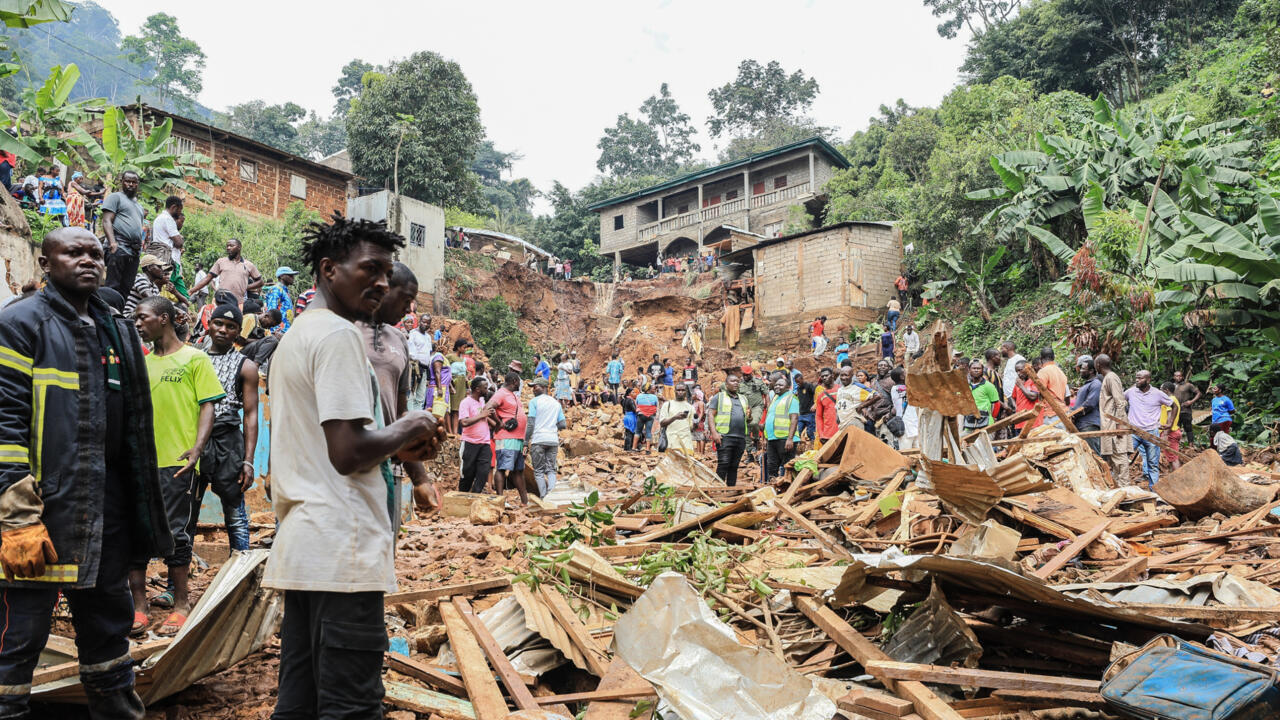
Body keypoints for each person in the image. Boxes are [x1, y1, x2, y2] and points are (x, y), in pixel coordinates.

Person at [264, 215, 442, 719]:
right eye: (371, 269)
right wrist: (411, 426)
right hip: (342, 547)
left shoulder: (299, 333)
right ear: (328, 270)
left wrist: (396, 448)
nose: (382, 283)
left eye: (387, 272)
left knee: (298, 701)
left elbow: (329, 446)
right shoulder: (339, 337)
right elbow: (347, 451)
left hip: (304, 545)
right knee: (351, 706)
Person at [0, 227, 171, 718]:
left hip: (104, 513)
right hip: (41, 514)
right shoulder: (21, 323)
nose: (88, 260)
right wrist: (16, 516)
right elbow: (5, 417)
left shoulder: (117, 329)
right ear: (45, 261)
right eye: (73, 252)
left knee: (108, 636)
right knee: (18, 642)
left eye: (96, 253)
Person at [131, 296, 224, 637]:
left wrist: (197, 448)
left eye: (143, 318)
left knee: (176, 533)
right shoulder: (141, 362)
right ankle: (139, 607)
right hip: (142, 462)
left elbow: (208, 406)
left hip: (178, 462)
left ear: (165, 319)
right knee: (135, 535)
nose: (138, 324)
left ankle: (181, 603)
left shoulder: (194, 359)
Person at [360, 263, 438, 513]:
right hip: (345, 463)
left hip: (388, 466)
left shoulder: (399, 340)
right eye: (405, 299)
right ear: (383, 289)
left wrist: (420, 479)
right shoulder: (343, 330)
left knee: (384, 548)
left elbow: (400, 412)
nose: (408, 310)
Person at [190, 303, 258, 560]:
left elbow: (251, 415)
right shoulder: (192, 357)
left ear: (238, 332)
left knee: (234, 508)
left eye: (230, 327)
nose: (222, 330)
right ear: (208, 324)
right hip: (194, 436)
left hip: (227, 441)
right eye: (218, 323)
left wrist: (248, 461)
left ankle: (241, 576)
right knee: (187, 510)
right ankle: (176, 585)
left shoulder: (246, 366)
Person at [484, 371, 529, 504]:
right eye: (519, 382)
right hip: (506, 438)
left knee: (518, 470)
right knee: (502, 469)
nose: (520, 384)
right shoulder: (501, 393)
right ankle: (500, 500)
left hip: (517, 438)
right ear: (514, 381)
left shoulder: (512, 395)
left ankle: (525, 502)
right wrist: (499, 423)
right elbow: (488, 408)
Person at [102, 170, 147, 300]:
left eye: (134, 182)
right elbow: (106, 221)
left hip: (134, 252)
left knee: (126, 288)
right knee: (112, 286)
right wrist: (112, 242)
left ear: (138, 184)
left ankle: (119, 316)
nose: (130, 184)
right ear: (122, 182)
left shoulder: (138, 206)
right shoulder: (115, 197)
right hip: (119, 246)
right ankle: (109, 315)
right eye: (127, 181)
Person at [1125, 370, 1173, 488]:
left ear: (1148, 380)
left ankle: (1154, 491)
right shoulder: (1130, 392)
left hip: (1151, 432)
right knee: (1122, 459)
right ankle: (1122, 487)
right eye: (1136, 378)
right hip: (1134, 432)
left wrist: (1170, 423)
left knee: (1152, 463)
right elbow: (1119, 401)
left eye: (1140, 378)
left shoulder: (1157, 393)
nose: (1137, 380)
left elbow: (1174, 405)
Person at [188, 238, 263, 306]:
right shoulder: (221, 261)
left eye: (231, 246)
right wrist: (191, 290)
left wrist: (246, 287)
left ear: (239, 247)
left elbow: (260, 282)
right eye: (227, 246)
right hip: (221, 301)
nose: (228, 248)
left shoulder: (248, 265)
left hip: (239, 302)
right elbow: (208, 278)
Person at [708, 373, 750, 486]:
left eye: (737, 381)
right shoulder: (719, 397)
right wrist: (714, 433)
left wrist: (749, 417)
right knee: (724, 463)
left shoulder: (743, 398)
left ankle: (731, 490)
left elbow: (747, 418)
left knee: (734, 466)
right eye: (732, 381)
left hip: (740, 437)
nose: (736, 383)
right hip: (724, 436)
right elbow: (710, 414)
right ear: (726, 384)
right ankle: (718, 489)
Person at [526, 378, 565, 497]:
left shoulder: (534, 402)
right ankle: (552, 496)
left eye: (535, 386)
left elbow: (531, 423)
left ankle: (544, 496)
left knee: (538, 471)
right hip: (552, 440)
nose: (533, 389)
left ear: (543, 388)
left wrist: (525, 441)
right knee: (551, 470)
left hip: (538, 440)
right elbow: (563, 424)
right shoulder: (556, 403)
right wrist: (551, 427)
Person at [1096, 354, 1131, 485]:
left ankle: (1125, 488)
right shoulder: (1107, 378)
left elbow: (1120, 402)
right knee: (1114, 460)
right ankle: (1119, 488)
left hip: (1115, 425)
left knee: (1120, 458)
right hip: (1109, 425)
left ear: (1098, 365)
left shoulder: (1111, 378)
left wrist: (1119, 425)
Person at [762, 372, 799, 480]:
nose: (777, 386)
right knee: (772, 466)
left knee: (787, 467)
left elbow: (794, 418)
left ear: (787, 387)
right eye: (776, 384)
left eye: (781, 385)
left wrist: (790, 439)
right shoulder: (774, 398)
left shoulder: (791, 398)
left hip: (785, 439)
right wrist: (765, 437)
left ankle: (787, 489)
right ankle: (773, 489)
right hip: (773, 438)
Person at [459, 376, 493, 492]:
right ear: (478, 389)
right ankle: (462, 498)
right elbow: (463, 422)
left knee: (483, 472)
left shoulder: (482, 401)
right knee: (468, 474)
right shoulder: (465, 402)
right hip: (470, 443)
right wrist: (482, 415)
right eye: (485, 388)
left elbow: (485, 419)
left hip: (485, 443)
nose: (487, 390)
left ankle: (475, 496)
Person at [1073, 356, 1103, 454]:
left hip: (1089, 425)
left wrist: (1073, 414)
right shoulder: (1087, 385)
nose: (1080, 371)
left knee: (1094, 456)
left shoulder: (1096, 384)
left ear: (1091, 371)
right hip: (1082, 425)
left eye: (1083, 369)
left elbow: (1089, 404)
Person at [658, 382, 696, 454]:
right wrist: (675, 417)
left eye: (683, 390)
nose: (680, 392)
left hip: (686, 443)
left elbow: (691, 427)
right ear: (675, 391)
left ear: (686, 392)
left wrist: (696, 424)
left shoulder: (690, 407)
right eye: (678, 390)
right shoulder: (667, 405)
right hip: (671, 442)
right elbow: (662, 423)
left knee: (685, 464)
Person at [149, 195, 184, 274]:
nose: (180, 213)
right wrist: (179, 239)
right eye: (180, 210)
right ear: (174, 207)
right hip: (167, 258)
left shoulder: (159, 218)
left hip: (158, 256)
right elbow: (179, 243)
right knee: (169, 283)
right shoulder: (168, 219)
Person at [407, 316, 433, 411]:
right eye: (423, 322)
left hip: (425, 369)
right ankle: (410, 418)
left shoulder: (428, 337)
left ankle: (417, 417)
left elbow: (428, 354)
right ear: (419, 321)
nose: (425, 324)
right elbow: (411, 353)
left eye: (428, 323)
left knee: (421, 396)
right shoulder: (413, 334)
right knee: (411, 394)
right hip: (414, 367)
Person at [1036, 347, 1069, 423]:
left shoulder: (1043, 372)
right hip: (1063, 412)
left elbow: (1039, 392)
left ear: (1041, 358)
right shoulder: (1060, 372)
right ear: (1054, 357)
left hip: (1051, 414)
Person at [964, 360, 1000, 431]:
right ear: (969, 370)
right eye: (974, 368)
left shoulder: (989, 386)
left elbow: (996, 403)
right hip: (969, 422)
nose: (976, 370)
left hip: (986, 422)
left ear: (982, 370)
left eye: (978, 368)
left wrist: (993, 417)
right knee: (963, 440)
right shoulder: (966, 387)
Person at [263, 267, 299, 335]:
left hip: (286, 330)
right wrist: (274, 331)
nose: (293, 278)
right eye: (290, 275)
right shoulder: (276, 290)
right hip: (278, 331)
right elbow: (271, 312)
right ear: (282, 276)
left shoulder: (285, 291)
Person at [1172, 371, 1201, 447]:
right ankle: (1176, 446)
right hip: (1175, 411)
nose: (1178, 377)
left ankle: (1190, 445)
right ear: (1174, 377)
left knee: (1188, 428)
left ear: (1183, 377)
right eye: (1176, 376)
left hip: (1186, 410)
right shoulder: (1172, 386)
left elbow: (1198, 393)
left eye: (1180, 376)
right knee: (1175, 428)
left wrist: (1191, 401)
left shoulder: (1188, 385)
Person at [1159, 382, 1183, 471]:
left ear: (1166, 390)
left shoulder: (1169, 400)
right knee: (1171, 457)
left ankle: (1179, 479)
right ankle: (1174, 477)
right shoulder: (1173, 399)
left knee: (1173, 458)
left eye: (1161, 390)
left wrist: (1165, 434)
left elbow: (1170, 416)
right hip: (1172, 431)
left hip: (1170, 433)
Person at [814, 368, 839, 445]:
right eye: (822, 376)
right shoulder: (821, 396)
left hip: (843, 430)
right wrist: (821, 434)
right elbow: (818, 417)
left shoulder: (841, 389)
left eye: (826, 375)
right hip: (828, 434)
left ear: (832, 375)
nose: (824, 378)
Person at [792, 370, 816, 445]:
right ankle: (798, 447)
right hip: (801, 414)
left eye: (799, 381)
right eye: (796, 382)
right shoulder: (798, 389)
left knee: (810, 432)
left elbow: (816, 393)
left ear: (802, 379)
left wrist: (815, 404)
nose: (798, 383)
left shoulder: (808, 386)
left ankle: (813, 446)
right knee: (798, 431)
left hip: (810, 413)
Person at [635, 384, 659, 451]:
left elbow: (636, 404)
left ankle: (634, 447)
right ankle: (648, 449)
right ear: (649, 389)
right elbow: (656, 406)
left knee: (638, 431)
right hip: (650, 416)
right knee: (648, 431)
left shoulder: (638, 396)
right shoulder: (654, 397)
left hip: (641, 415)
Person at [621, 381, 639, 451]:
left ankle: (626, 448)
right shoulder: (631, 400)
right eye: (633, 392)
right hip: (631, 417)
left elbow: (623, 411)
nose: (635, 394)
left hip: (626, 416)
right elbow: (635, 410)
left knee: (628, 432)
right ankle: (629, 448)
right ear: (629, 393)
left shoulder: (625, 400)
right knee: (630, 433)